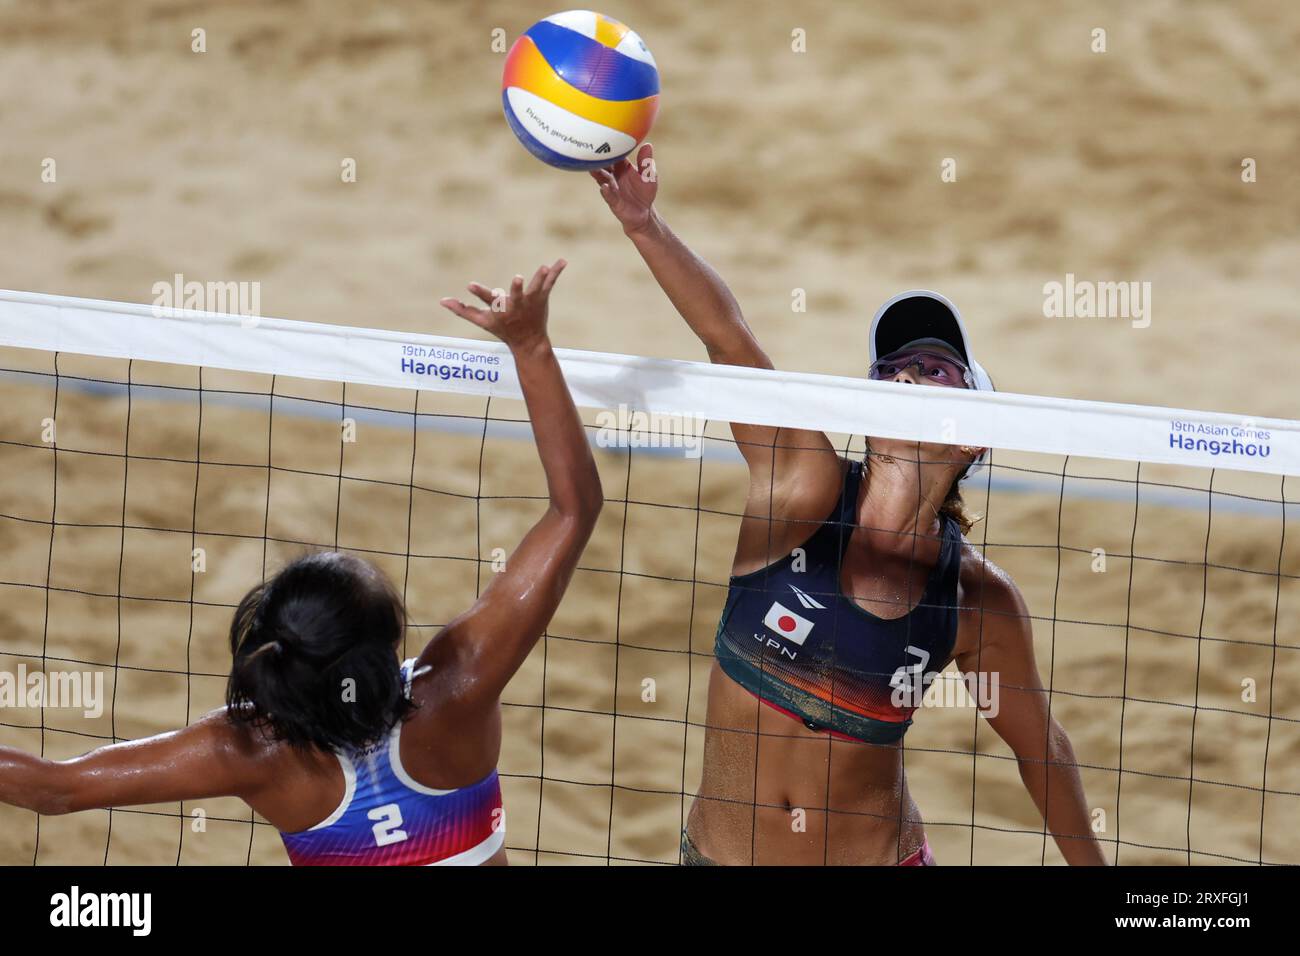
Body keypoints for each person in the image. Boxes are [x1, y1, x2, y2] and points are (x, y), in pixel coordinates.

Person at [592, 146, 1106, 865]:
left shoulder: (975, 599)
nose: (905, 374)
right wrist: (645, 226)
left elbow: (1042, 751)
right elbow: (726, 334)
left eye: (935, 369)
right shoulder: (800, 486)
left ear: (975, 439)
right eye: (890, 367)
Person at [0, 261, 603, 866]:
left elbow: (56, 787)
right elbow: (574, 510)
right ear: (384, 646)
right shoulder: (456, 688)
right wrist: (530, 345)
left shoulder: (250, 750)